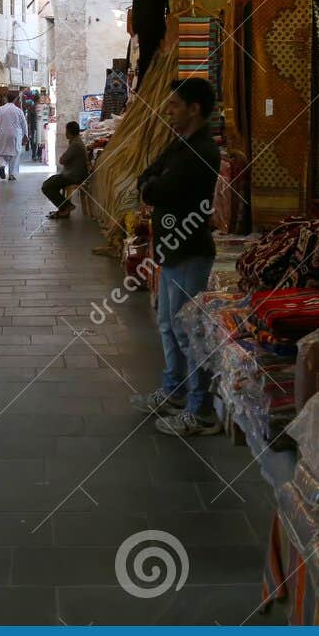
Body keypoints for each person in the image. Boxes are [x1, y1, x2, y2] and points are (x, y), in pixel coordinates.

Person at [129, 79, 222, 437]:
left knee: (187, 331)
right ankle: (175, 391)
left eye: (174, 105)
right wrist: (153, 183)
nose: (168, 111)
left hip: (189, 251)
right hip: (171, 250)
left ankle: (200, 412)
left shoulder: (201, 151)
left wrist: (153, 186)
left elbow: (158, 189)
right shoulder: (181, 145)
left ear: (194, 108)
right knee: (169, 324)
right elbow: (147, 175)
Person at [43, 120, 89, 219]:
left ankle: (66, 207)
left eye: (66, 131)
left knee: (46, 186)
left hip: (73, 175)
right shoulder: (76, 142)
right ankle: (64, 207)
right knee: (50, 183)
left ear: (69, 132)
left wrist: (64, 158)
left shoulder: (75, 144)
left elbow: (62, 160)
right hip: (72, 173)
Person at [0, 92, 28, 181]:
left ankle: (2, 166)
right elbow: (24, 123)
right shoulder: (18, 110)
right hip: (15, 134)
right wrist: (26, 135)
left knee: (0, 152)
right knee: (14, 153)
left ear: (6, 99)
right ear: (15, 99)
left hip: (2, 134)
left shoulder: (1, 109)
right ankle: (11, 175)